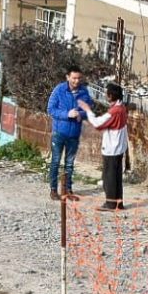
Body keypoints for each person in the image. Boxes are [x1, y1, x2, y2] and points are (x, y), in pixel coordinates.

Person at [45, 66, 92, 200]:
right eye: (74, 78)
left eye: (79, 78)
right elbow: (51, 109)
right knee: (55, 161)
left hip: (74, 134)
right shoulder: (59, 90)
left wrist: (80, 114)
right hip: (59, 132)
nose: (77, 81)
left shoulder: (84, 92)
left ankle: (68, 190)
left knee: (70, 163)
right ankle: (53, 190)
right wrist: (67, 114)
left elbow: (89, 110)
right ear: (68, 77)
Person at [81, 82, 128, 209]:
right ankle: (118, 203)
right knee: (116, 176)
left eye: (107, 94)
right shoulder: (122, 108)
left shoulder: (115, 111)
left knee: (109, 176)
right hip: (119, 147)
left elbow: (98, 124)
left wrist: (88, 110)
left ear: (111, 96)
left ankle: (111, 203)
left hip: (112, 148)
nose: (106, 96)